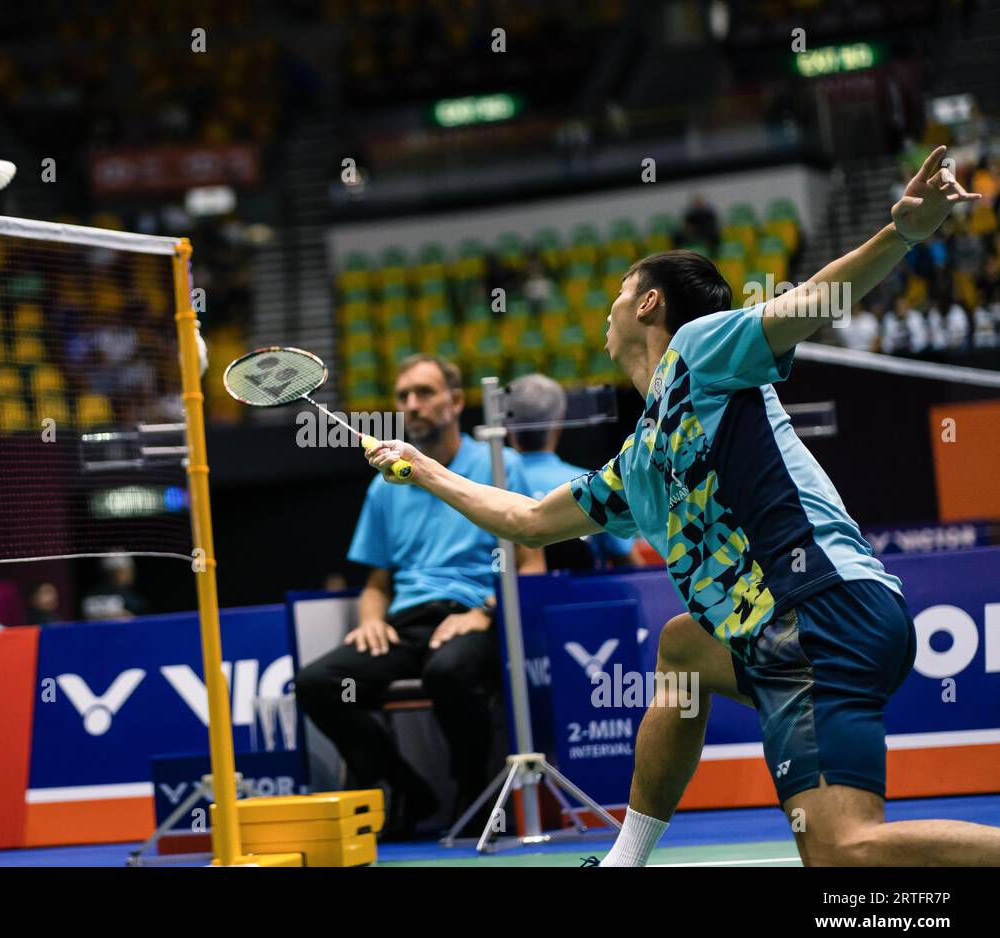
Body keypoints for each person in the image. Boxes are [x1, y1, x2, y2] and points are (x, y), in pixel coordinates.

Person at [366, 147, 1000, 866]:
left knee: (843, 853)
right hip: (778, 634)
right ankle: (624, 861)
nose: (607, 306)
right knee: (682, 648)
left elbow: (812, 302)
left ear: (648, 303)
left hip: (821, 610)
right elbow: (529, 520)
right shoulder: (641, 458)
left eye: (619, 290)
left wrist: (904, 235)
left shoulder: (701, 351)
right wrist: (422, 468)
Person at [295, 354, 545, 840]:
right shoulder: (384, 486)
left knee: (448, 669)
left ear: (455, 401)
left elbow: (531, 564)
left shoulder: (498, 462)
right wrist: (371, 619)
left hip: (476, 618)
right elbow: (376, 585)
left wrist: (483, 613)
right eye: (403, 396)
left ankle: (476, 800)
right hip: (408, 623)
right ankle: (404, 787)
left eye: (426, 393)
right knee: (319, 682)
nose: (413, 404)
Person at [505, 373, 639, 569]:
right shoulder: (594, 485)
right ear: (559, 420)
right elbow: (629, 565)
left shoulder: (491, 485)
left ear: (506, 424)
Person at [81, 555, 150, 620]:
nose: (130, 574)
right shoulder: (94, 594)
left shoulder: (133, 597)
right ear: (113, 572)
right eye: (124, 571)